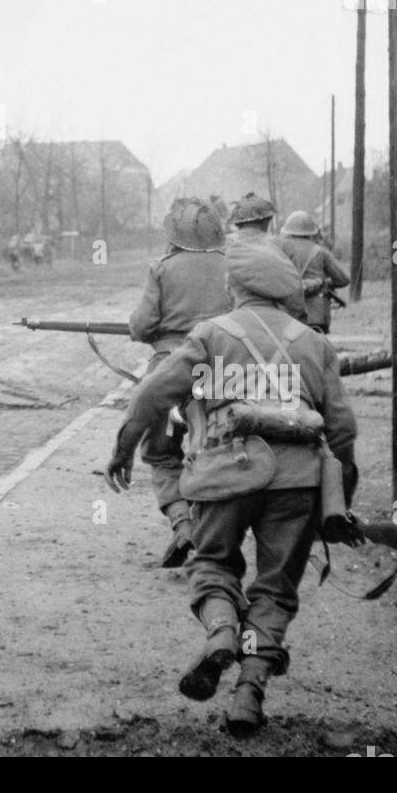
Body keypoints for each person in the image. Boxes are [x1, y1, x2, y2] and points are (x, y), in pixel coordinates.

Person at [105, 239, 358, 736]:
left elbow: (153, 394)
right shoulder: (315, 343)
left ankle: (222, 633)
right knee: (276, 588)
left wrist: (122, 448)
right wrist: (338, 498)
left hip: (224, 476)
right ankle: (249, 693)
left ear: (234, 287)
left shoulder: (210, 336)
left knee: (214, 564)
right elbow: (344, 431)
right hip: (298, 482)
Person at [127, 198, 232, 568]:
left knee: (160, 451)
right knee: (218, 448)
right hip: (221, 371)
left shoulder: (161, 268)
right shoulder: (231, 266)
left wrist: (143, 329)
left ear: (173, 234)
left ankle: (182, 521)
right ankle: (212, 531)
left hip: (171, 372)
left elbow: (141, 325)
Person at [227, 194, 303, 318]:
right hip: (276, 321)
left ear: (236, 223)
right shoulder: (282, 245)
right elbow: (295, 295)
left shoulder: (225, 245)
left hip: (231, 322)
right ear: (267, 220)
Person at [275, 212, 351, 334]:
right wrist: (322, 283)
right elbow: (343, 279)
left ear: (288, 231)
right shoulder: (321, 252)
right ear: (312, 232)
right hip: (316, 316)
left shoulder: (279, 250)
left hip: (287, 313)